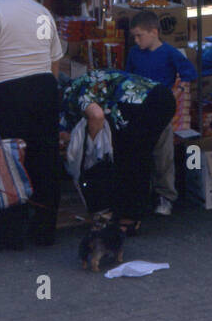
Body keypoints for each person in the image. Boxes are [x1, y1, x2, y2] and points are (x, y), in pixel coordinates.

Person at [0, 0, 64, 247]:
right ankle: (44, 230)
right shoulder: (41, 11)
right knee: (45, 157)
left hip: (9, 91)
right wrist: (47, 90)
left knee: (9, 159)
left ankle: (11, 234)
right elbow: (55, 60)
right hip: (44, 87)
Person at [62, 67, 175, 234]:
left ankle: (128, 219)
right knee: (142, 155)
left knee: (131, 160)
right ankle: (157, 201)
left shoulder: (72, 94)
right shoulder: (87, 80)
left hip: (142, 106)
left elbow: (97, 115)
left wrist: (92, 149)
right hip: (161, 96)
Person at [126, 10, 198, 217]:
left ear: (154, 32)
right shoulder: (134, 53)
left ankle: (165, 196)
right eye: (135, 36)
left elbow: (189, 73)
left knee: (163, 155)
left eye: (140, 35)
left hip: (160, 112)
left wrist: (177, 92)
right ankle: (142, 195)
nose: (137, 40)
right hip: (139, 110)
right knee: (139, 155)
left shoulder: (169, 52)